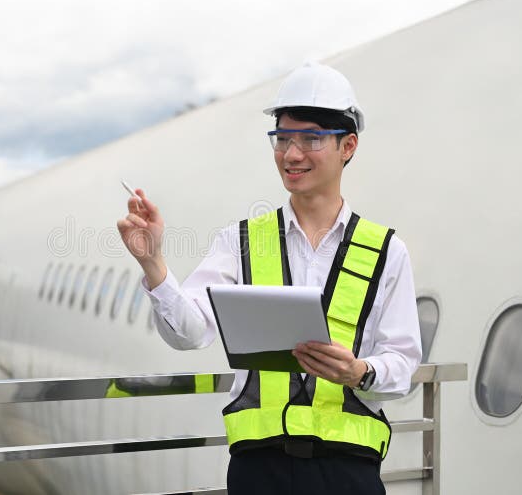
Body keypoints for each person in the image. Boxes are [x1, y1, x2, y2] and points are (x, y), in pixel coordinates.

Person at [116, 62, 421, 495]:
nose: (291, 154)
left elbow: (403, 362)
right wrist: (153, 264)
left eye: (311, 139)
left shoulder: (387, 251)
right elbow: (189, 334)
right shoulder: (241, 241)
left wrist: (359, 371)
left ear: (348, 146)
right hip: (259, 472)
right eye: (282, 139)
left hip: (349, 474)